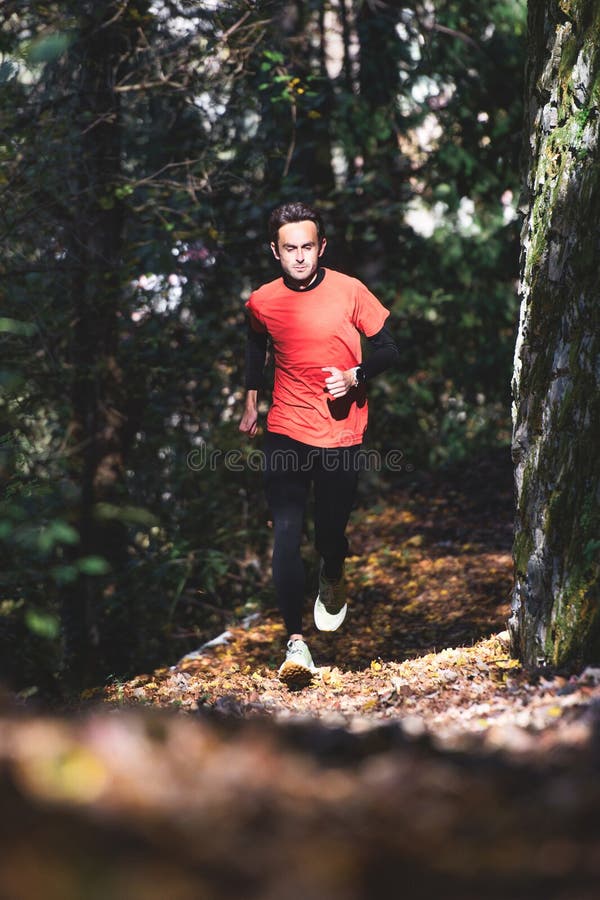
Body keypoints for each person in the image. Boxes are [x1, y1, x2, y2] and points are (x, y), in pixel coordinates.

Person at [239, 201, 399, 687]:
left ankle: (333, 569)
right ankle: (295, 642)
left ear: (321, 247)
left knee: (329, 533)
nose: (300, 257)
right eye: (290, 249)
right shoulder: (262, 301)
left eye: (308, 247)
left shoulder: (350, 291)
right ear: (275, 251)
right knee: (286, 532)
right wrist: (251, 401)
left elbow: (391, 348)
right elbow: (254, 346)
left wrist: (356, 374)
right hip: (285, 429)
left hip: (341, 433)